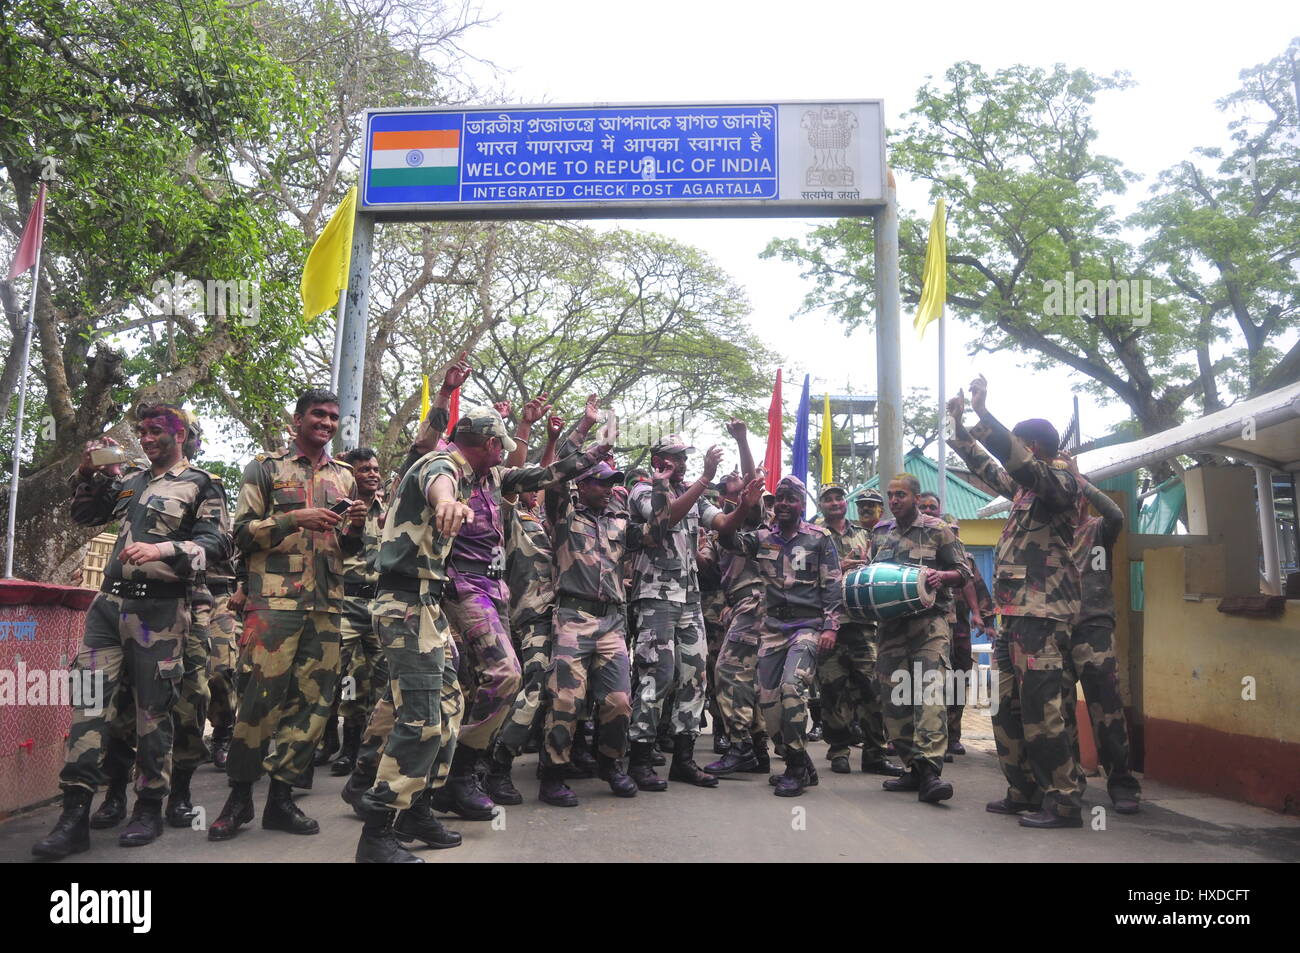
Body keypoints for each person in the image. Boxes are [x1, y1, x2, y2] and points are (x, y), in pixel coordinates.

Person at [354, 404, 612, 862]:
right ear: (490, 444)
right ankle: (376, 831)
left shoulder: (483, 479)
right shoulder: (443, 466)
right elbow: (440, 486)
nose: (503, 457)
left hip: (428, 603)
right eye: (501, 449)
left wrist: (592, 453)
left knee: (450, 708)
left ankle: (418, 806)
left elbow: (545, 474)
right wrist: (446, 504)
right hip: (406, 603)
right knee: (420, 717)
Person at [34, 404, 229, 858]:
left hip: (158, 613)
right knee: (87, 706)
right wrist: (89, 475)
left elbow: (215, 546)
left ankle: (149, 807)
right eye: (142, 431)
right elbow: (85, 516)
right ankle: (73, 816)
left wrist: (163, 548)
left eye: (156, 430)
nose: (146, 437)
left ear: (179, 434)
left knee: (152, 714)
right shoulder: (131, 481)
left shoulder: (202, 483)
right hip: (106, 607)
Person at [208, 388, 367, 841]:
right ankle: (238, 799)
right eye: (318, 414)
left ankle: (281, 800)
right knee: (258, 701)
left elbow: (351, 549)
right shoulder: (265, 468)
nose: (327, 423)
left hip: (326, 606)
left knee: (313, 707)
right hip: (274, 602)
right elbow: (239, 534)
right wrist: (295, 519)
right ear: (297, 420)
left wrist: (355, 524)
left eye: (333, 417)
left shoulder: (346, 477)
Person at [947, 374, 1087, 828]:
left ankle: (1063, 799)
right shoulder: (1027, 491)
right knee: (1006, 709)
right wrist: (959, 428)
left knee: (1045, 712)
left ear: (1035, 449)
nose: (1016, 457)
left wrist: (985, 415)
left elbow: (1021, 466)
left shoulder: (1061, 484)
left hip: (1043, 616)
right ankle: (1024, 789)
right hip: (1013, 616)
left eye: (1021, 448)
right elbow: (992, 471)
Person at [715, 475, 843, 797]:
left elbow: (832, 586)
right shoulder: (762, 538)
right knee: (769, 701)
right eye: (780, 498)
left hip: (806, 628)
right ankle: (797, 759)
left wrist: (830, 626)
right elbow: (728, 540)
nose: (785, 504)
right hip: (771, 631)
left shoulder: (819, 538)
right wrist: (744, 506)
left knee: (791, 688)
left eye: (792, 498)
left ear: (802, 504)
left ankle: (796, 767)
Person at [625, 435, 726, 790]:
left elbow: (724, 524)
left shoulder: (693, 493)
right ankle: (639, 758)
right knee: (658, 674)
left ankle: (683, 759)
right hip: (656, 597)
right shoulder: (642, 489)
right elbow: (663, 518)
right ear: (658, 459)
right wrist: (704, 480)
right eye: (676, 457)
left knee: (694, 675)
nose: (683, 463)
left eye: (685, 458)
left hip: (690, 598)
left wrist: (746, 502)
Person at [538, 458, 638, 805]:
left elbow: (657, 532)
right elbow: (554, 478)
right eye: (601, 482)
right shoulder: (565, 514)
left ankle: (610, 764)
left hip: (611, 621)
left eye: (612, 483)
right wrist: (584, 432)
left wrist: (660, 486)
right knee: (565, 698)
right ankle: (553, 774)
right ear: (581, 485)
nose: (609, 489)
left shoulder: (621, 522)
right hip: (573, 616)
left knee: (619, 701)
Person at [870, 473, 971, 804]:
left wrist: (941, 576)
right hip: (891, 628)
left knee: (929, 694)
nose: (894, 500)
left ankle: (930, 773)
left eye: (900, 494)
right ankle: (912, 767)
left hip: (928, 626)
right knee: (895, 701)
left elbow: (964, 573)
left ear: (915, 497)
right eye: (890, 495)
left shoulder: (938, 529)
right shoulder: (880, 533)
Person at [483, 412, 565, 804]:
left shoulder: (558, 517)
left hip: (568, 617)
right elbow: (523, 475)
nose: (538, 488)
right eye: (533, 485)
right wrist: (530, 431)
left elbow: (544, 477)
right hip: (532, 613)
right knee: (532, 684)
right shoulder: (513, 515)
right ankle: (496, 764)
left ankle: (556, 767)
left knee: (559, 692)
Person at [815, 483, 903, 777]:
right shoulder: (813, 536)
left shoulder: (865, 535)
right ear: (821, 504)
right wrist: (838, 567)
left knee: (872, 690)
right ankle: (839, 751)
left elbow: (880, 570)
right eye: (828, 499)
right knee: (833, 690)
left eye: (839, 497)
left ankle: (875, 754)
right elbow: (801, 574)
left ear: (845, 502)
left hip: (864, 625)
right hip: (829, 624)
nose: (835, 502)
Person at [1070, 472, 1141, 814]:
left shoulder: (1098, 529)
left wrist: (1080, 481)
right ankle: (1067, 783)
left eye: (1074, 495)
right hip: (1054, 630)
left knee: (1106, 707)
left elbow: (1117, 515)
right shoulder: (1049, 535)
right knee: (1056, 709)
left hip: (1094, 627)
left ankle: (1122, 782)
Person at [326, 447, 389, 777]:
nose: (373, 473)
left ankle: (373, 749)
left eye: (375, 468)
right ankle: (346, 747)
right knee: (350, 679)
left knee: (382, 681)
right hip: (347, 604)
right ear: (349, 474)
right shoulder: (338, 509)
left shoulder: (388, 510)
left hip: (379, 606)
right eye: (364, 469)